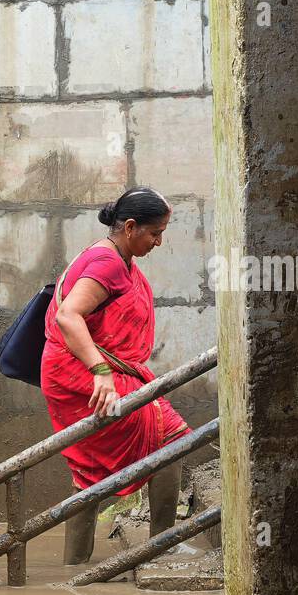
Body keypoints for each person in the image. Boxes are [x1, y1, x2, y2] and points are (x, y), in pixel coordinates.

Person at [41, 187, 189, 565]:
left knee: (88, 466)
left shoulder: (115, 257)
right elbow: (68, 316)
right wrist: (102, 372)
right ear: (129, 226)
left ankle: (74, 568)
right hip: (82, 374)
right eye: (155, 233)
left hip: (80, 370)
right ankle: (161, 547)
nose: (159, 242)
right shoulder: (107, 263)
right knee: (171, 438)